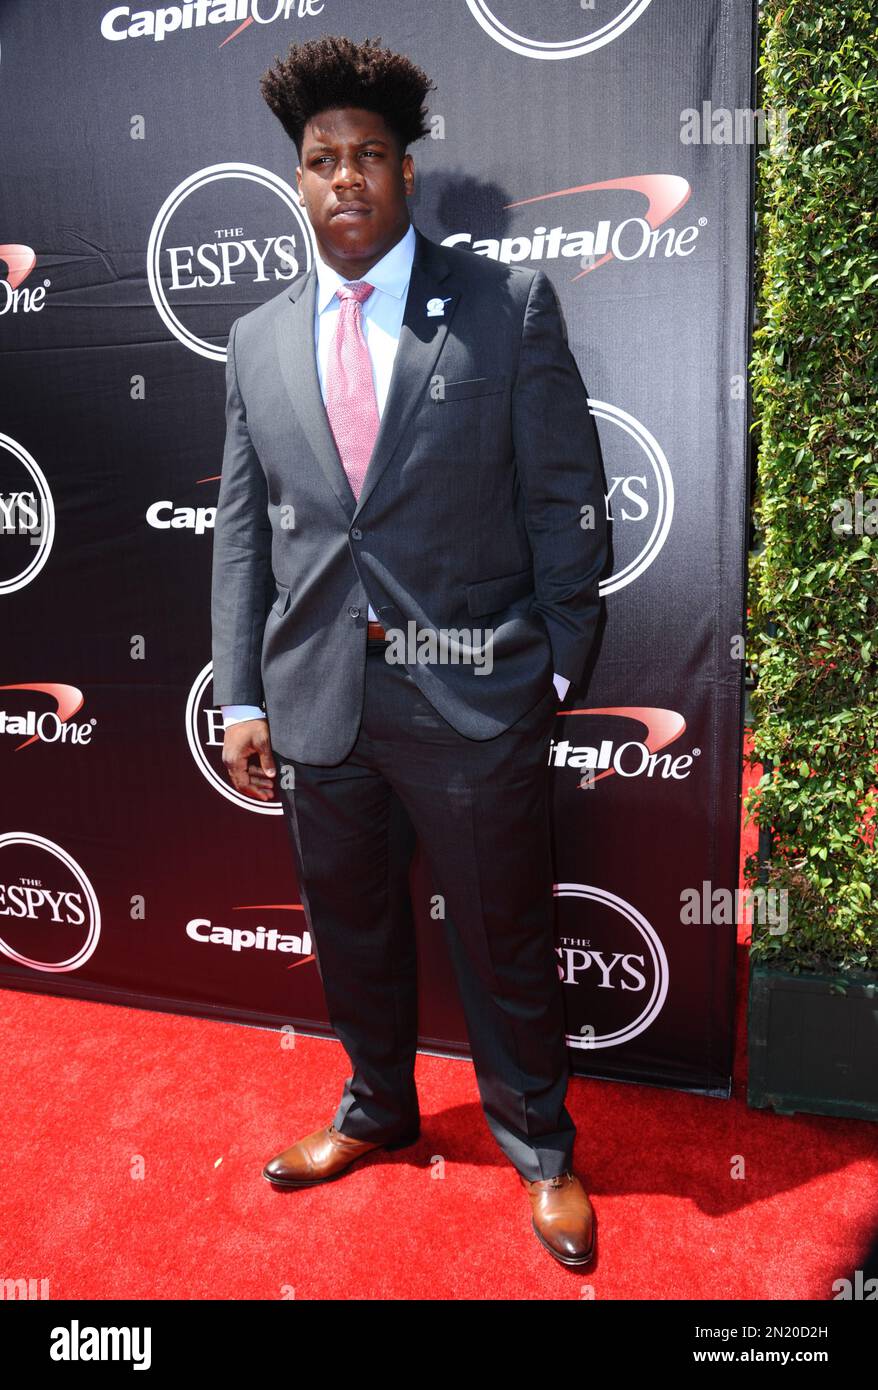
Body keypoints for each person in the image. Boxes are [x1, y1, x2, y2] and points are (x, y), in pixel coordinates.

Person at [210, 34, 608, 1268]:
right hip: (320, 698)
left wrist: (553, 660)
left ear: (405, 171)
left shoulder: (503, 306)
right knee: (354, 929)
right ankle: (375, 1108)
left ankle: (539, 1145)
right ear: (297, 180)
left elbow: (563, 495)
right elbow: (239, 534)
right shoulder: (253, 341)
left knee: (501, 935)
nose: (343, 178)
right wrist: (240, 691)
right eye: (320, 160)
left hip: (472, 691)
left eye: (366, 156)